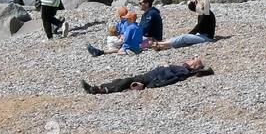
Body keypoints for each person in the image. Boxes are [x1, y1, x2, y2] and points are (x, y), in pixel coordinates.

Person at [81, 57, 213, 94]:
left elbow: (171, 78)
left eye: (193, 60)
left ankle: (101, 90)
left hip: (151, 79)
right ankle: (100, 87)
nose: (190, 58)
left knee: (127, 80)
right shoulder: (182, 69)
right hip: (149, 76)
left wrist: (166, 67)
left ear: (194, 66)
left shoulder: (184, 71)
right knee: (122, 80)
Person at [152, 0, 216, 49]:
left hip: (206, 38)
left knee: (184, 37)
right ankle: (165, 45)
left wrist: (190, 34)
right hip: (201, 35)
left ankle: (161, 43)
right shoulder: (203, 12)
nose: (195, 4)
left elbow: (198, 27)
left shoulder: (206, 13)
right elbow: (191, 7)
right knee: (184, 41)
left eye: (196, 2)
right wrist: (192, 1)